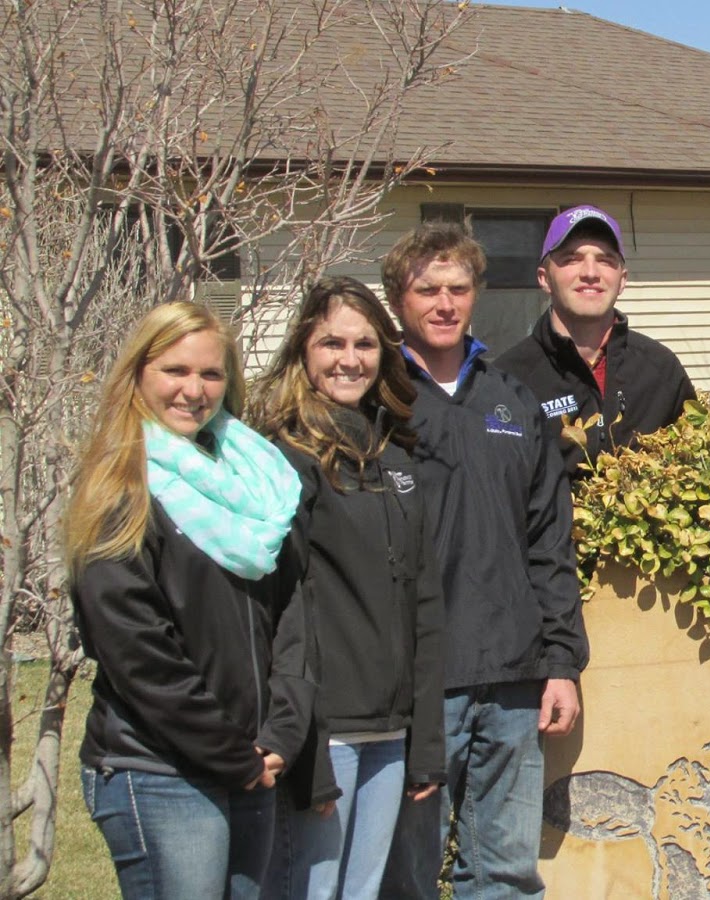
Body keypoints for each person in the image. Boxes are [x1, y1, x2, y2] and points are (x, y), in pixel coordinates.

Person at [66, 301, 309, 899]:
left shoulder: (255, 484)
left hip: (253, 762)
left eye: (211, 374)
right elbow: (136, 650)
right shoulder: (122, 485)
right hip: (162, 770)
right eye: (175, 370)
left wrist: (280, 733)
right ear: (139, 374)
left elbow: (290, 618)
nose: (194, 391)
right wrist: (233, 753)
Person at [376, 221, 587, 899]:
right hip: (414, 687)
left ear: (476, 294)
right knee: (404, 877)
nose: (445, 303)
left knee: (504, 875)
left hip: (513, 681)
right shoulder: (378, 405)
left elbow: (549, 542)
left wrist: (560, 664)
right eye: (427, 289)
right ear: (398, 302)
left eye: (458, 288)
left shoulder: (512, 402)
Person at [250, 277, 446, 900]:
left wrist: (426, 741)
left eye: (365, 344)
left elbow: (423, 602)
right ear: (303, 349)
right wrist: (301, 747)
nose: (349, 359)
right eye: (331, 342)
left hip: (388, 733)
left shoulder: (394, 456)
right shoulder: (285, 455)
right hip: (323, 733)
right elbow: (279, 609)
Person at [496, 204, 695, 481]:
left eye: (605, 260)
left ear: (622, 280)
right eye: (571, 258)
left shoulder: (661, 370)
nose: (590, 272)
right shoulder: (508, 380)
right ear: (544, 278)